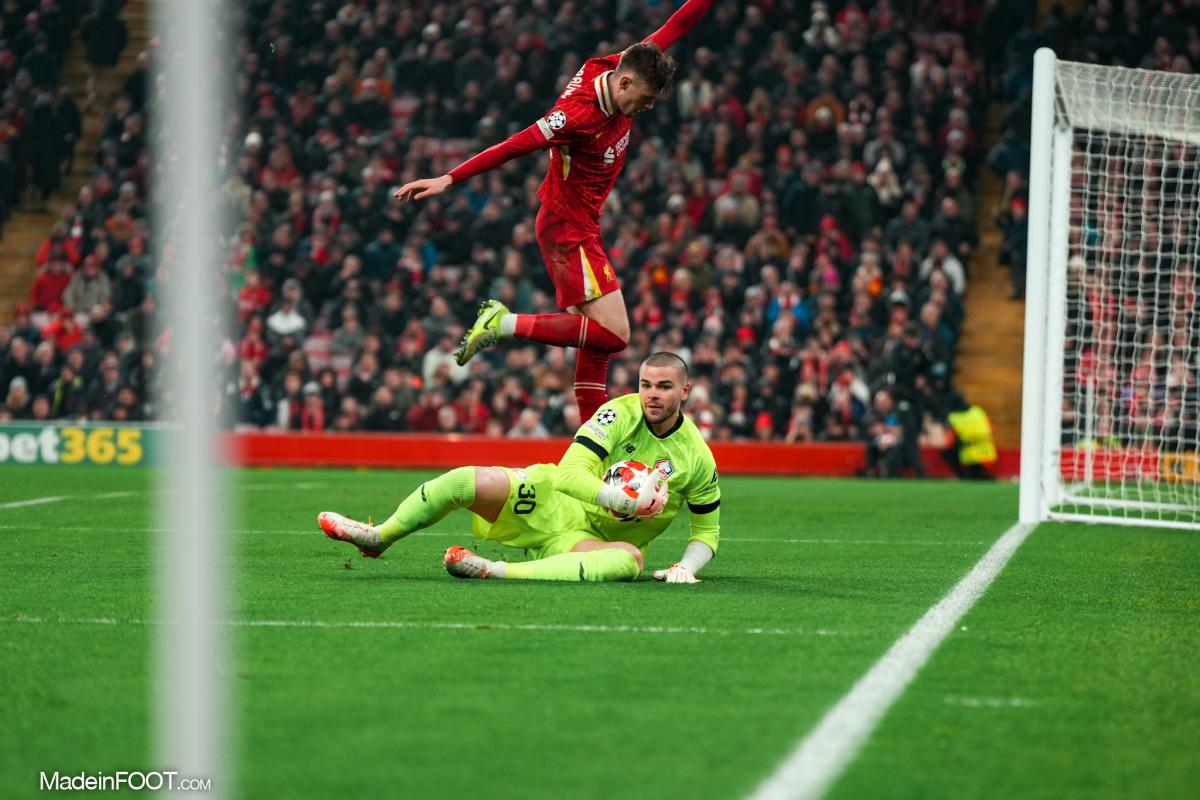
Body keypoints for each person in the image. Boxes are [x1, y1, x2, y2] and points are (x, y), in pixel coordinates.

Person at [394, 0, 715, 422]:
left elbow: (679, 22)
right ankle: (503, 324)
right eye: (646, 98)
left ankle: (592, 453)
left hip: (581, 222)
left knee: (594, 344)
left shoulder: (624, 63)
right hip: (568, 226)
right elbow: (515, 145)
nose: (648, 106)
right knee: (616, 335)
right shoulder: (574, 117)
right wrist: (449, 178)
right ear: (625, 85)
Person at [319, 352, 720, 584]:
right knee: (463, 481)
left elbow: (707, 531)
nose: (652, 394)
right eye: (646, 384)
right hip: (553, 500)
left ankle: (494, 570)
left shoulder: (697, 457)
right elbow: (567, 474)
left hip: (587, 543)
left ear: (685, 391)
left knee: (630, 561)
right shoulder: (617, 413)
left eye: (664, 387)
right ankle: (378, 537)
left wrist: (686, 566)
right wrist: (620, 498)